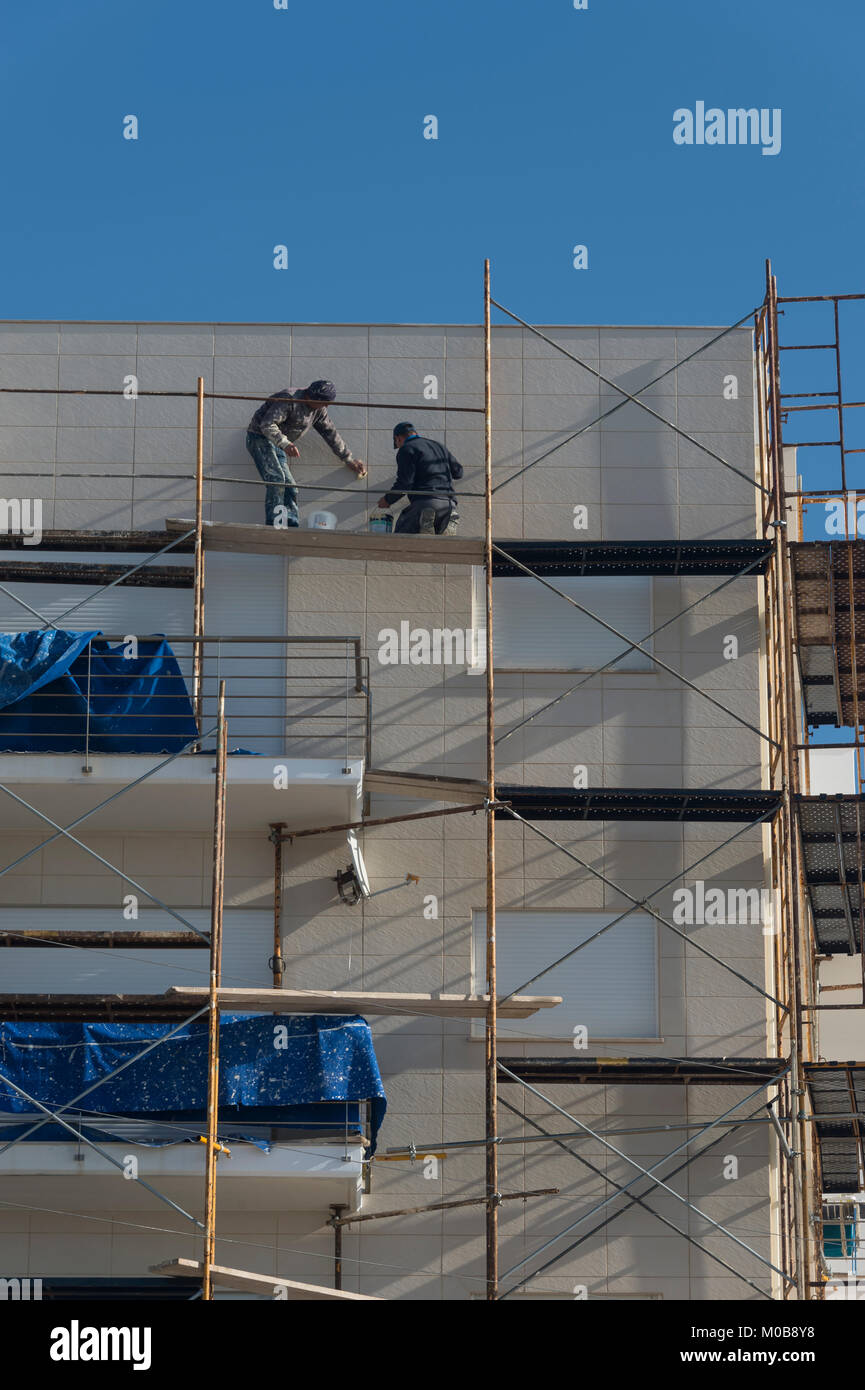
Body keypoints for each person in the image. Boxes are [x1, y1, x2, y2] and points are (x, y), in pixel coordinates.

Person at [246, 380, 366, 526]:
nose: (326, 406)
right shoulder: (289, 399)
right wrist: (285, 443)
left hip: (280, 444)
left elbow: (330, 433)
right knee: (276, 479)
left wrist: (348, 458)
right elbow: (267, 424)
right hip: (260, 438)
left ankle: (290, 523)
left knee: (290, 485)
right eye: (324, 403)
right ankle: (275, 523)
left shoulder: (318, 410)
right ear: (310, 397)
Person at [376, 422, 462, 535]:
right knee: (439, 546)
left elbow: (405, 484)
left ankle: (427, 523)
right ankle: (447, 520)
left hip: (426, 503)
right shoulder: (438, 446)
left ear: (398, 438)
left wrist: (388, 500)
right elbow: (459, 473)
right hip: (449, 503)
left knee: (399, 537)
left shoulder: (406, 449)